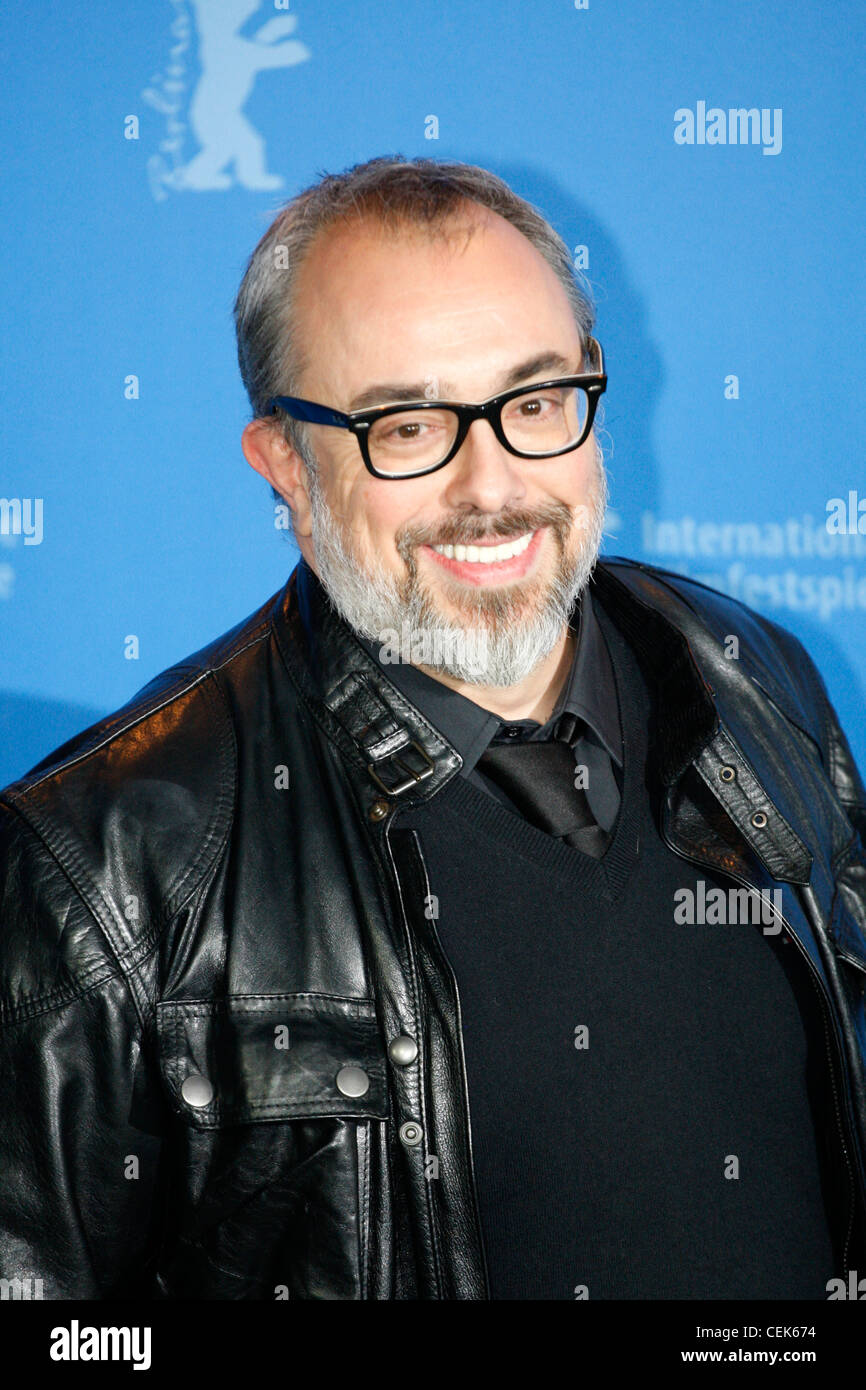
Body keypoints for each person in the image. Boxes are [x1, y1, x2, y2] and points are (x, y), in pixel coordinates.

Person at [1, 155, 865, 1301]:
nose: (491, 482)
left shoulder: (753, 676)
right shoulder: (99, 860)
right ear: (283, 463)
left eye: (535, 400)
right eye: (406, 425)